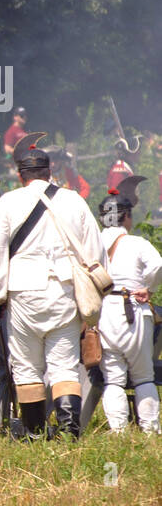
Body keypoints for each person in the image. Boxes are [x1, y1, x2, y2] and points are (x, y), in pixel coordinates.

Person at [0, 136, 107, 439]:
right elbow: (94, 253)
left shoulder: (9, 202)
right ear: (50, 172)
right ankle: (69, 434)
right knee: (63, 367)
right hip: (64, 292)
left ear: (21, 176)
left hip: (23, 295)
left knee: (26, 367)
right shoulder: (74, 200)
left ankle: (34, 433)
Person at [91, 178, 161, 434]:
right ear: (127, 218)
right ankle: (150, 429)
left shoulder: (93, 245)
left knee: (113, 379)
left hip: (104, 313)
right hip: (133, 309)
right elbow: (157, 266)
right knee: (143, 375)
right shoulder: (136, 243)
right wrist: (148, 289)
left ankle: (119, 431)